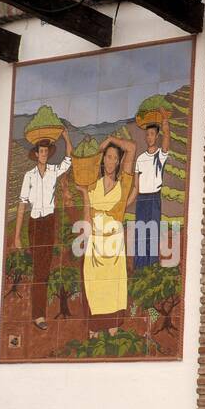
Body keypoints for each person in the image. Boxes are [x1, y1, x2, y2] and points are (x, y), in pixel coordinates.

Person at [12, 130, 73, 330]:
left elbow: (69, 158)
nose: (44, 154)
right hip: (34, 224)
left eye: (47, 151)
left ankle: (39, 314)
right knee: (39, 270)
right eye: (41, 151)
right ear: (36, 154)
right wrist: (17, 236)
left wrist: (65, 136)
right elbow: (22, 205)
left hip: (49, 222)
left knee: (43, 271)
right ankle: (37, 315)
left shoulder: (54, 171)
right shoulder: (28, 176)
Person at [82, 135, 136, 338]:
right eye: (108, 157)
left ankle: (113, 325)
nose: (111, 161)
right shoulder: (92, 187)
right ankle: (95, 326)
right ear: (103, 160)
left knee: (113, 284)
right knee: (94, 284)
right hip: (96, 243)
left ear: (119, 161)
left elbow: (131, 147)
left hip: (114, 243)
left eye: (114, 157)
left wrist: (110, 140)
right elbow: (86, 218)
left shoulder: (123, 185)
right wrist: (84, 195)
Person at [126, 109, 171, 270]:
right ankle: (139, 269)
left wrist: (165, 122)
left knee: (151, 234)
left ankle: (151, 269)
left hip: (153, 199)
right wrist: (125, 205)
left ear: (156, 136)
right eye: (148, 134)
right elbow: (136, 187)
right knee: (140, 235)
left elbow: (167, 141)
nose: (149, 137)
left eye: (152, 134)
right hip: (141, 201)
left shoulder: (160, 155)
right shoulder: (140, 159)